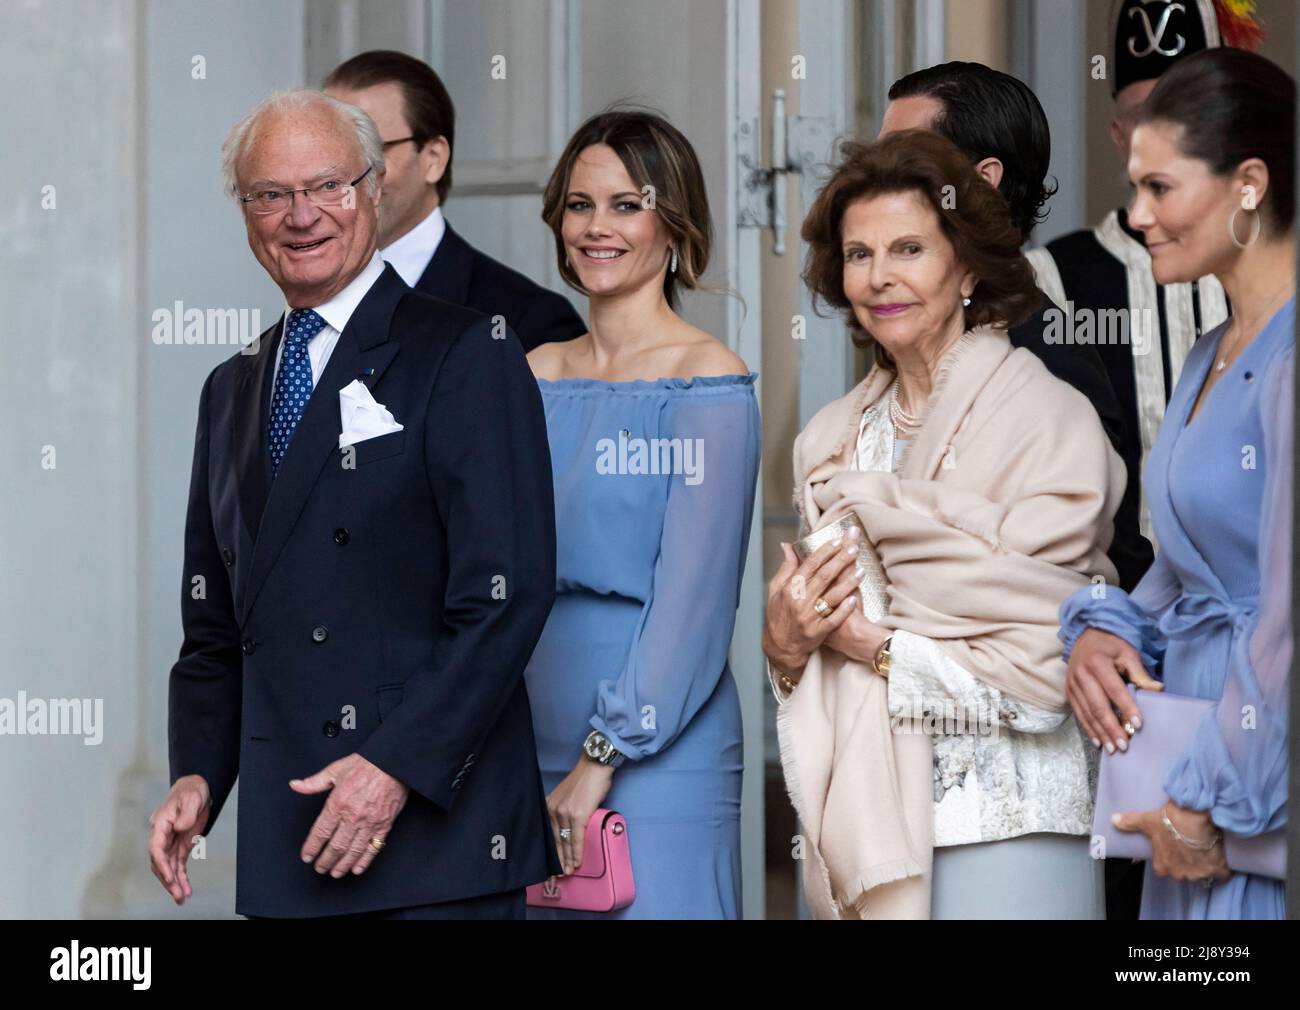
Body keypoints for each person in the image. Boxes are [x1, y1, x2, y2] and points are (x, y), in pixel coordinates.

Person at [147, 89, 560, 919]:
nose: (301, 216)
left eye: (328, 187)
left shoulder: (466, 350)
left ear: (374, 191)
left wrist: (395, 768)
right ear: (246, 212)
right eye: (271, 195)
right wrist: (198, 772)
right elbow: (219, 628)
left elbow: (505, 598)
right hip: (289, 840)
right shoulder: (228, 388)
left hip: (436, 846)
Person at [763, 130, 1126, 919]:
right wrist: (786, 650)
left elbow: (1041, 683)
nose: (879, 277)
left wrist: (872, 644)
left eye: (907, 249)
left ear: (965, 264)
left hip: (1011, 824)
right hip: (871, 831)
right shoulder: (829, 443)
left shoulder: (1049, 420)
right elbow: (818, 672)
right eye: (858, 255)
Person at [1021, 0, 1262, 920]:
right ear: (1120, 134)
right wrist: (1097, 620)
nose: (1147, 204)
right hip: (1143, 674)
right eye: (1144, 127)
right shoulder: (1060, 275)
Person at [523, 108, 760, 919]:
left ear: (674, 223)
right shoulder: (532, 375)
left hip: (656, 749)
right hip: (524, 735)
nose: (598, 227)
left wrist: (603, 754)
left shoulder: (709, 381)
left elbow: (694, 603)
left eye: (627, 204)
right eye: (581, 204)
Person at [881, 61, 1151, 594]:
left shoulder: (1047, 351)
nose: (872, 184)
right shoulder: (912, 329)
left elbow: (1068, 579)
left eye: (901, 163)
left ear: (980, 182)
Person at [324, 50, 586, 351]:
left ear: (434, 158)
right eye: (330, 157)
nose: (348, 178)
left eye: (371, 151)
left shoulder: (529, 323)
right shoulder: (308, 300)